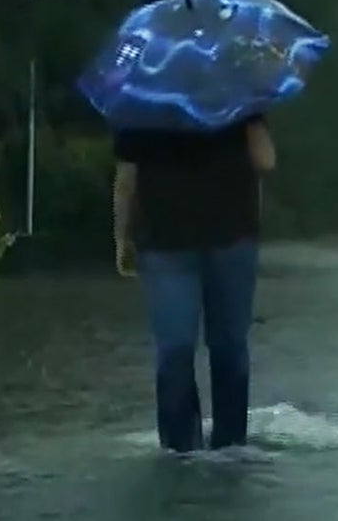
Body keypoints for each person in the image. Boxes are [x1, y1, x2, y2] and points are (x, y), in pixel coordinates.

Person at [112, 115, 275, 453]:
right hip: (227, 236)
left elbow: (126, 179)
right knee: (228, 345)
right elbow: (265, 160)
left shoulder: (143, 102)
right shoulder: (235, 97)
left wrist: (121, 238)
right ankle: (230, 446)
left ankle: (180, 449)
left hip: (167, 241)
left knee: (176, 349)